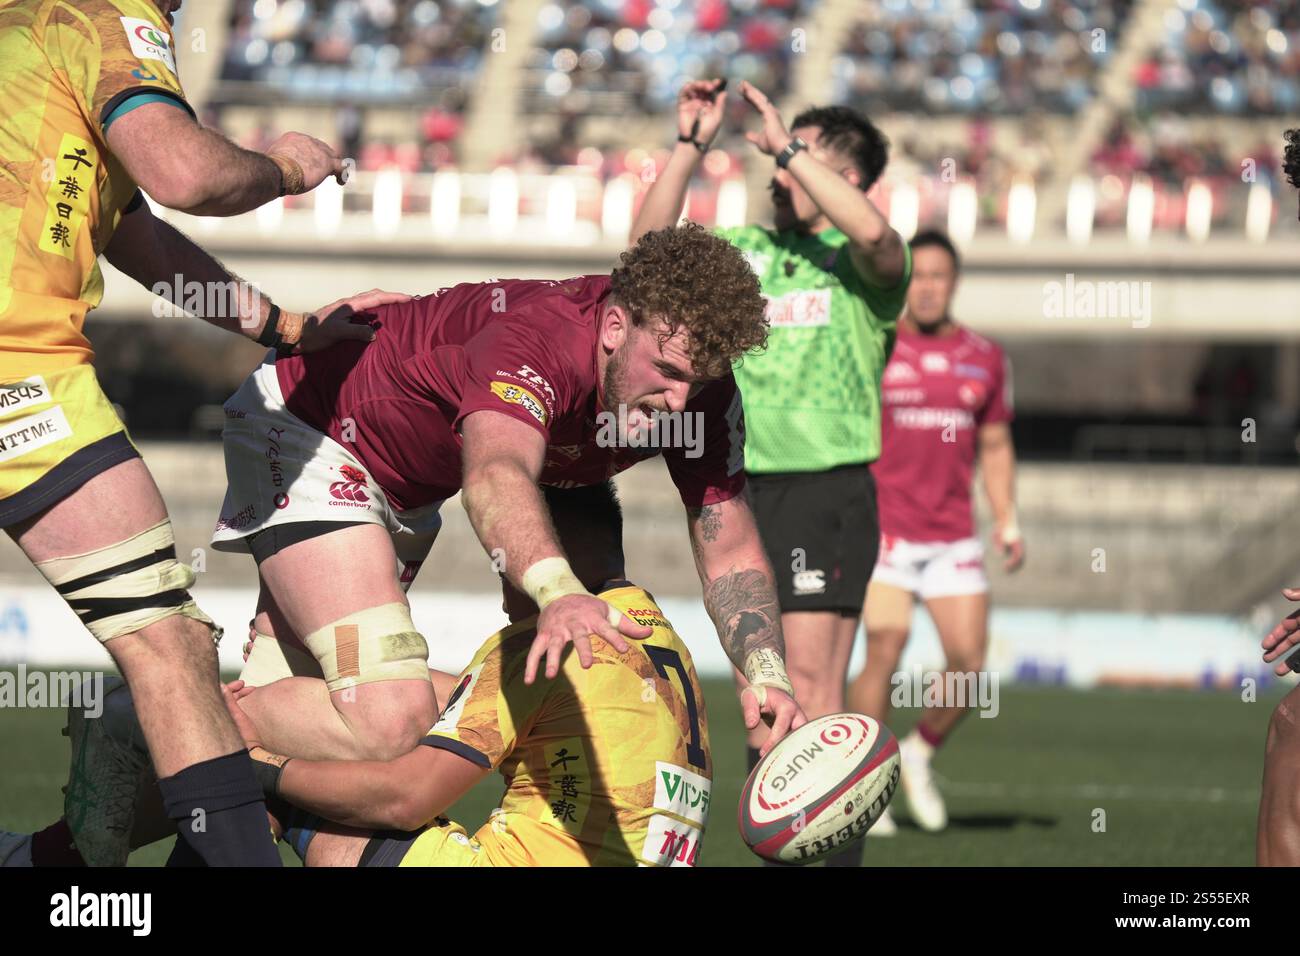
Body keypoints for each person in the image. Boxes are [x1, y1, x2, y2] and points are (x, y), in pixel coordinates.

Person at [0, 0, 388, 867]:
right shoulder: (105, 13)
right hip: (16, 370)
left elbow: (135, 230)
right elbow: (181, 171)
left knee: (165, 642)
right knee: (164, 643)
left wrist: (282, 328)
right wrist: (285, 165)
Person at [203, 224, 803, 776]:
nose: (679, 401)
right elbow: (495, 472)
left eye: (697, 382)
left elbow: (731, 551)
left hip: (405, 491)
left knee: (306, 738)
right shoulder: (542, 338)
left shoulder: (703, 398)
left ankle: (182, 755)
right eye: (668, 371)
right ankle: (168, 707)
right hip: (312, 428)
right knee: (385, 718)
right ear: (615, 327)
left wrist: (767, 673)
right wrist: (559, 594)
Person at [4, 483, 714, 868]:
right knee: (336, 723)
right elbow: (481, 701)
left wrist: (258, 764)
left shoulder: (543, 648)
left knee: (268, 773)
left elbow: (402, 802)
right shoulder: (654, 637)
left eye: (505, 547)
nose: (500, 567)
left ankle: (52, 856)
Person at [628, 79, 910, 865]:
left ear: (846, 179)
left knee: (814, 694)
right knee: (763, 698)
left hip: (826, 492)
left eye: (801, 154)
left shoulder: (866, 266)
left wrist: (784, 146)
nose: (775, 168)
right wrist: (689, 144)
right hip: (736, 489)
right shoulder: (744, 252)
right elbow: (642, 257)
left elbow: (880, 236)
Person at [847, 230, 1023, 836]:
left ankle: (917, 753)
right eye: (916, 275)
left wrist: (1007, 517)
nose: (926, 287)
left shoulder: (985, 356)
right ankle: (868, 784)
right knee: (885, 651)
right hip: (885, 533)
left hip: (953, 537)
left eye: (938, 276)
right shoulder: (876, 344)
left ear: (954, 282)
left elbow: (996, 445)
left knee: (969, 666)